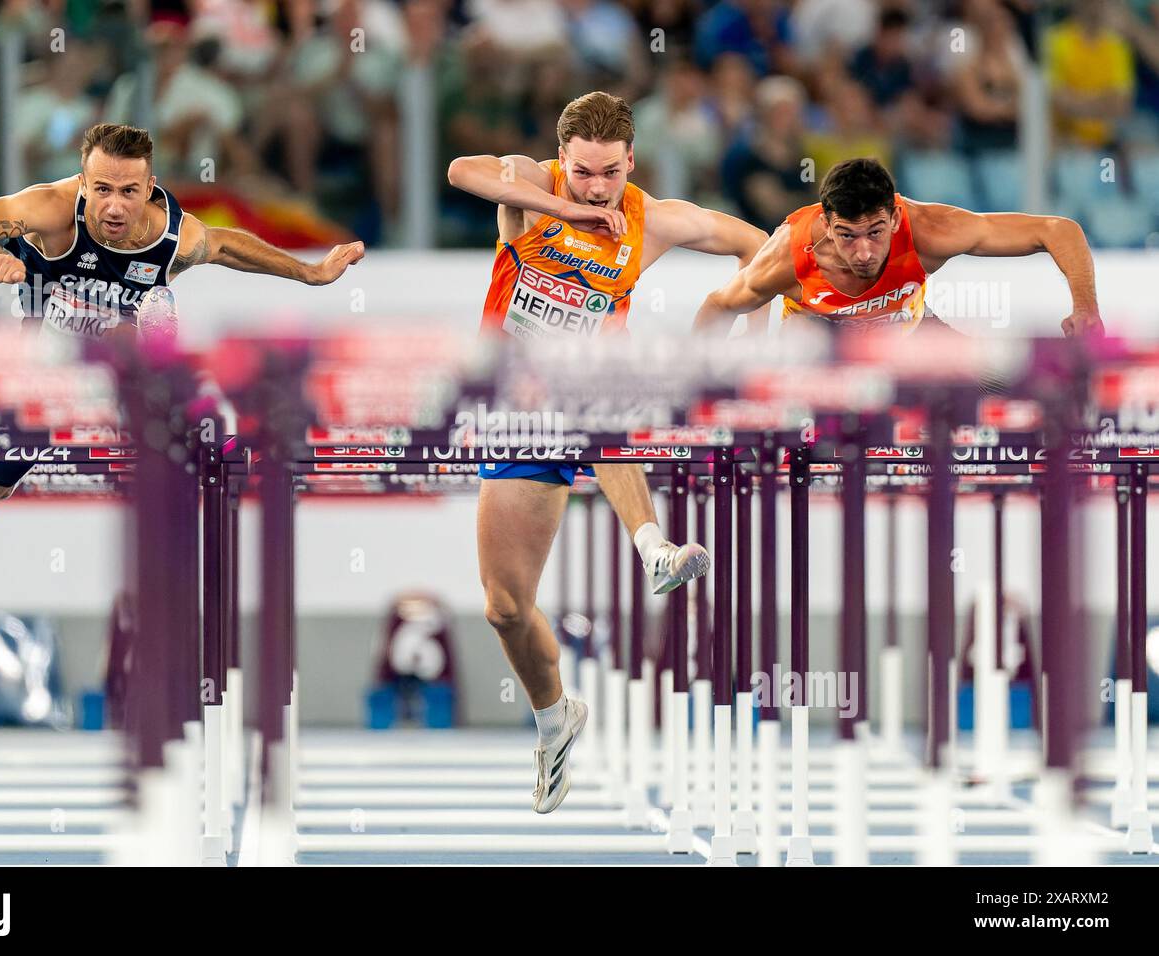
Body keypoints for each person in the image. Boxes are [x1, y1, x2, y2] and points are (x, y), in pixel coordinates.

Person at [447, 91, 767, 812]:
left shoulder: (655, 220)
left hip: (591, 397)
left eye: (610, 175)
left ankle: (654, 546)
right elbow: (461, 171)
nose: (598, 187)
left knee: (603, 389)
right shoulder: (530, 185)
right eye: (584, 172)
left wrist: (755, 329)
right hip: (515, 412)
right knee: (504, 607)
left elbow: (762, 248)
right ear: (563, 159)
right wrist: (565, 209)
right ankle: (555, 715)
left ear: (632, 162)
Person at [0, 122, 364, 555]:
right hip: (9, 379)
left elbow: (226, 245)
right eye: (102, 190)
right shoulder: (51, 209)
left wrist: (309, 272)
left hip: (87, 390)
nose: (114, 207)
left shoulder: (173, 238)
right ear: (84, 184)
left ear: (148, 189)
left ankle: (160, 364)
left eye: (128, 192)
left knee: (150, 328)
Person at [693, 156, 1103, 340]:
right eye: (847, 236)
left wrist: (1085, 307)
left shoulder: (929, 230)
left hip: (907, 333)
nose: (865, 253)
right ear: (826, 225)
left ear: (894, 218)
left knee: (1001, 394)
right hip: (817, 345)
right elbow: (719, 305)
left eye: (875, 232)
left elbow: (1058, 229)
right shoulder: (789, 255)